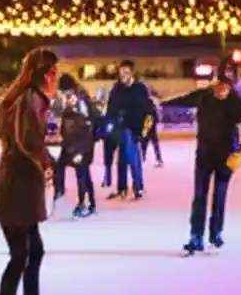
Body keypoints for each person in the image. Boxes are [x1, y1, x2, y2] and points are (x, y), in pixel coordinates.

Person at [0, 47, 62, 295]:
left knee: (34, 249)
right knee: (20, 254)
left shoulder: (31, 98)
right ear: (45, 72)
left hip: (22, 183)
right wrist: (46, 161)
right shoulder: (30, 99)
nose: (56, 76)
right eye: (53, 70)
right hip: (17, 185)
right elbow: (25, 141)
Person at [184, 71, 241, 255]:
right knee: (199, 195)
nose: (222, 90)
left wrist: (240, 153)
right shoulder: (204, 98)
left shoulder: (236, 103)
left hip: (226, 157)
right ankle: (196, 235)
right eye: (219, 86)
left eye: (226, 87)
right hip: (204, 154)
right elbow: (181, 99)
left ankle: (216, 232)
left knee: (219, 195)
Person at [105, 60, 151, 200]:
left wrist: (144, 128)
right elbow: (111, 108)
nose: (123, 76)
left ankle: (138, 187)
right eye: (121, 73)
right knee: (122, 159)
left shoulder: (140, 88)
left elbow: (145, 108)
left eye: (126, 72)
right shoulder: (117, 89)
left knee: (132, 157)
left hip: (134, 128)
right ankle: (122, 188)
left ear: (131, 73)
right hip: (120, 128)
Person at [56, 74, 98, 219]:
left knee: (82, 173)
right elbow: (66, 123)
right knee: (60, 165)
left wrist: (81, 149)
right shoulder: (69, 100)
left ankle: (85, 203)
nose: (63, 94)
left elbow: (86, 125)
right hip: (70, 144)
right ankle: (60, 190)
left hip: (82, 144)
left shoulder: (80, 101)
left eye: (64, 91)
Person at [141, 90, 164, 168]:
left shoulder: (146, 102)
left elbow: (149, 115)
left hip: (148, 123)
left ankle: (157, 159)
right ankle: (157, 159)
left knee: (146, 142)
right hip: (150, 124)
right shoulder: (151, 102)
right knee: (149, 143)